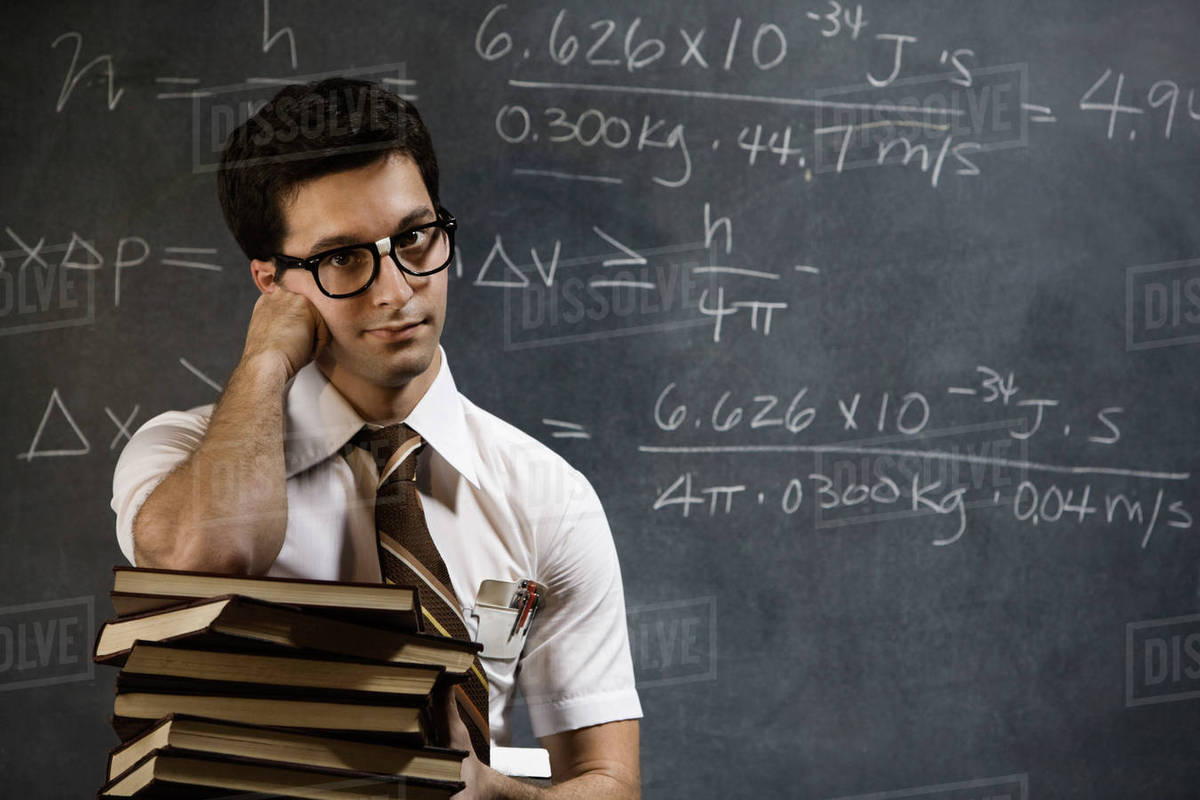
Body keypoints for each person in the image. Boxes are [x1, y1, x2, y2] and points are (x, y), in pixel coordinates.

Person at [110, 77, 642, 799]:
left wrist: (495, 795)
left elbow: (609, 782)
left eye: (414, 238)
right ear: (271, 283)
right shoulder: (178, 457)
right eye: (343, 258)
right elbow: (204, 559)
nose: (395, 288)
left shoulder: (548, 495)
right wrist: (267, 359)